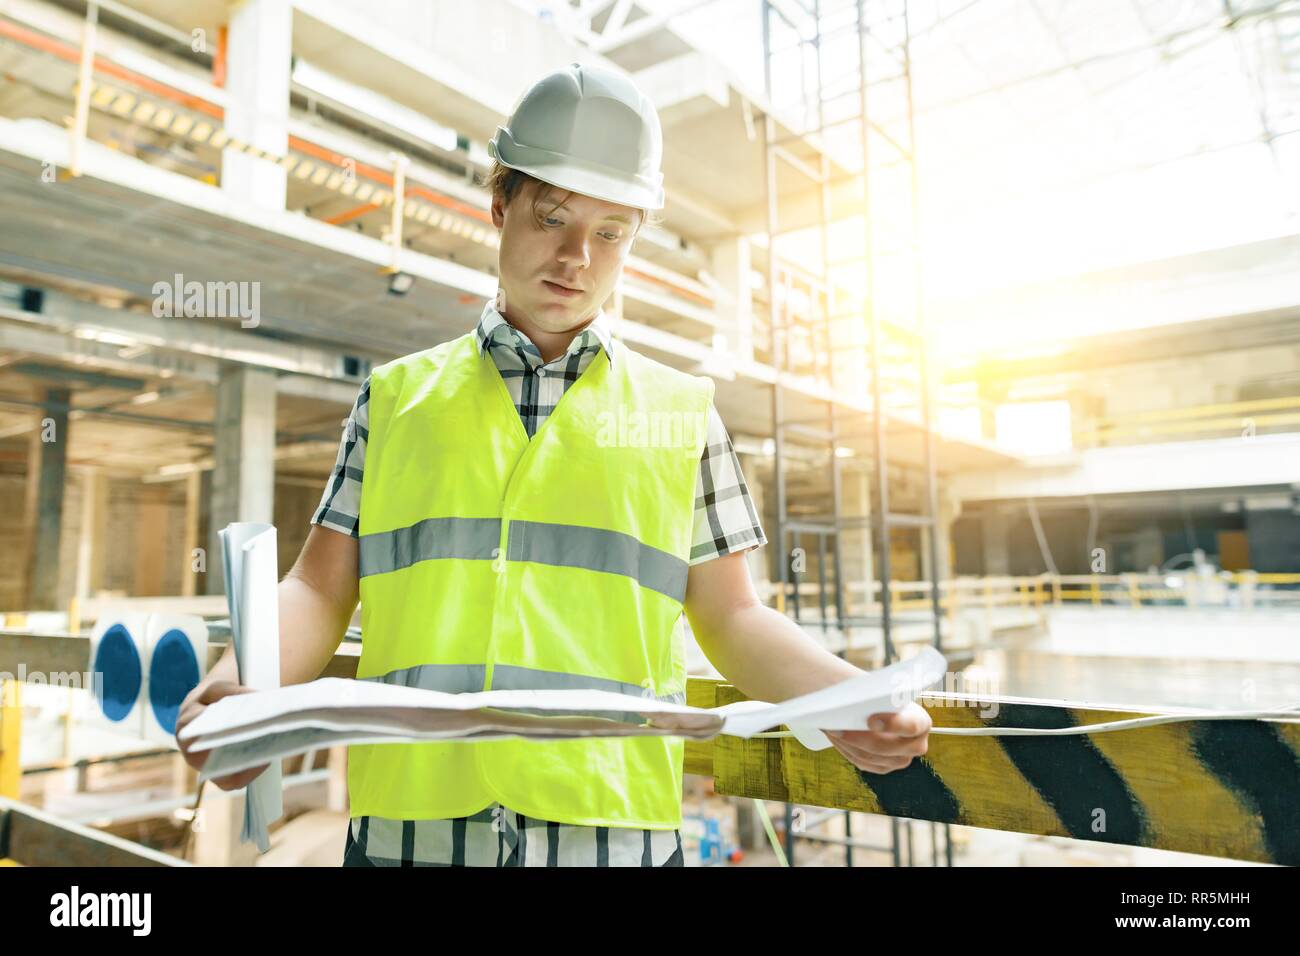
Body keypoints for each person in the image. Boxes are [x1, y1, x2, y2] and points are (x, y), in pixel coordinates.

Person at [177, 62, 931, 867]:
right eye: (553, 218)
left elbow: (733, 615)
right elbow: (320, 589)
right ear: (500, 205)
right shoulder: (393, 401)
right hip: (410, 833)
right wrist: (241, 683)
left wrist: (844, 697)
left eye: (610, 233)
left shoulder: (683, 413)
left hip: (610, 835)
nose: (576, 257)